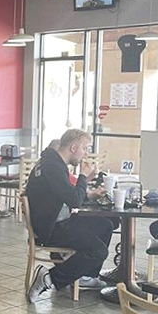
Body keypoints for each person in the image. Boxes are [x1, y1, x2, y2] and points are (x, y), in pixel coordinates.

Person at [25, 128, 115, 302]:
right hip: (50, 228)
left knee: (105, 225)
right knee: (98, 250)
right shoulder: (53, 167)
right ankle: (49, 278)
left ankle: (85, 277)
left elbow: (64, 194)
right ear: (73, 147)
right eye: (85, 148)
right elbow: (74, 200)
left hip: (54, 220)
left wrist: (88, 193)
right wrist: (82, 176)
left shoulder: (52, 162)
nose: (85, 154)